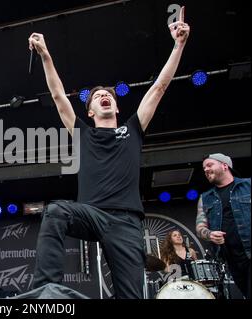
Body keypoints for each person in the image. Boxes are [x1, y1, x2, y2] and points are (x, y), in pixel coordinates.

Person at [28, 7, 190, 298]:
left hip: (126, 222)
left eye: (109, 96)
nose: (104, 96)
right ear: (90, 111)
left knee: (130, 295)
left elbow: (159, 87)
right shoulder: (83, 133)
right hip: (91, 214)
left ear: (116, 107)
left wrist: (178, 45)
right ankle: (45, 291)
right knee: (55, 211)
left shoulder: (133, 128)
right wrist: (46, 55)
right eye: (96, 96)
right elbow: (57, 96)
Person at [196, 153, 250, 299]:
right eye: (204, 168)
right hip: (232, 259)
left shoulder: (248, 185)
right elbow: (200, 228)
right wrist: (210, 234)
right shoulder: (205, 198)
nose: (206, 169)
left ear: (225, 165)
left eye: (209, 165)